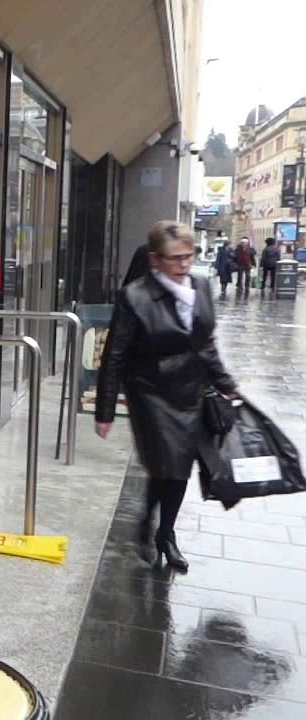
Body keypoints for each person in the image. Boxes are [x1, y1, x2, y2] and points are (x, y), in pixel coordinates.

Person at [95, 221, 239, 572]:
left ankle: (163, 531)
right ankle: (154, 525)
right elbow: (114, 354)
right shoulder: (135, 296)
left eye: (189, 256)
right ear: (155, 259)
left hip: (192, 391)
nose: (184, 265)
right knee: (168, 463)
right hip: (151, 393)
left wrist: (225, 382)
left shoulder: (201, 286)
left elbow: (205, 342)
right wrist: (105, 410)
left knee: (177, 469)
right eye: (176, 258)